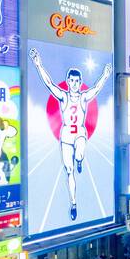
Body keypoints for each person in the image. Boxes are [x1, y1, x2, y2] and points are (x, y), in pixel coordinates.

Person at [29, 46, 112, 222]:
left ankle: (80, 159)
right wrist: (38, 65)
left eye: (77, 81)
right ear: (67, 81)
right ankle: (73, 203)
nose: (74, 84)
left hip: (80, 133)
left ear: (80, 82)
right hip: (66, 135)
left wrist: (105, 74)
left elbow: (96, 88)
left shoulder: (83, 97)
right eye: (71, 81)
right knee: (69, 170)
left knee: (80, 153)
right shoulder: (63, 96)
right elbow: (49, 84)